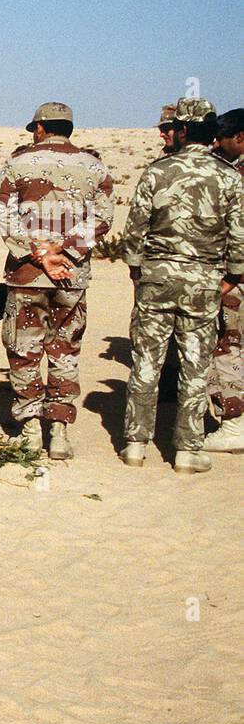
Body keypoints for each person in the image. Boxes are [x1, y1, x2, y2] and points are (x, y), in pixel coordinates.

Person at [120, 98, 244, 472]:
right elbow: (239, 240)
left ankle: (135, 445)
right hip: (204, 283)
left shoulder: (158, 171)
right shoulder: (228, 177)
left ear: (183, 130)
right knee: (196, 364)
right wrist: (230, 278)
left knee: (146, 362)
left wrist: (139, 274)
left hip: (158, 278)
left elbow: (134, 234)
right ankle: (187, 450)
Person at [0, 102, 114, 459]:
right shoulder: (93, 166)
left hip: (28, 276)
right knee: (65, 351)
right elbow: (104, 216)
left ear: (41, 128)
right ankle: (58, 433)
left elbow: (2, 214)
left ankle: (31, 431)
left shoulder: (18, 162)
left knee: (23, 349)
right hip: (70, 278)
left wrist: (40, 253)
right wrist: (68, 251)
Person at [202, 107, 244, 452]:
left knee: (227, 348)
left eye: (222, 139)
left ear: (240, 138)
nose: (216, 145)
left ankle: (234, 424)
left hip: (237, 280)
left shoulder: (234, 177)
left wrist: (231, 277)